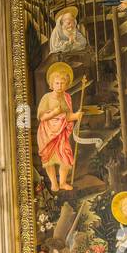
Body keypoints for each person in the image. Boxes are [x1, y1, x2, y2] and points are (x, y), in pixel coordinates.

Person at [37, 62, 82, 192]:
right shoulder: (46, 97)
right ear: (51, 84)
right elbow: (42, 117)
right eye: (57, 83)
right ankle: (53, 183)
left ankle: (62, 182)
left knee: (65, 157)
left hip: (61, 133)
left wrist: (75, 116)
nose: (59, 86)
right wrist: (54, 113)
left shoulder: (67, 97)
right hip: (48, 133)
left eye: (62, 83)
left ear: (66, 84)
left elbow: (67, 115)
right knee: (49, 159)